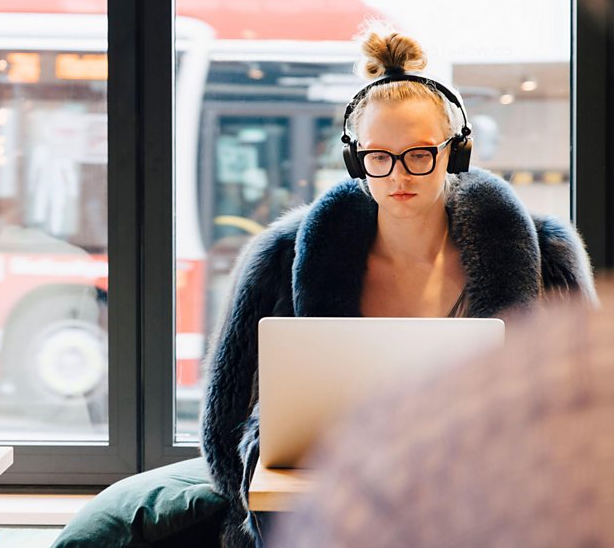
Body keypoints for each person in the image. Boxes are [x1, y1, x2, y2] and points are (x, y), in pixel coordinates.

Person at [200, 27, 597, 547]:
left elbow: (589, 408)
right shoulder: (281, 256)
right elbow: (223, 419)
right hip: (339, 497)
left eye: (419, 154)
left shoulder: (545, 258)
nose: (397, 175)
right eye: (379, 156)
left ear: (456, 154)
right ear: (354, 159)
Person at [276, 279, 614, 547]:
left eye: (421, 182)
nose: (401, 186)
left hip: (493, 492)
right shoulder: (286, 256)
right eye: (380, 182)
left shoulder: (543, 252)